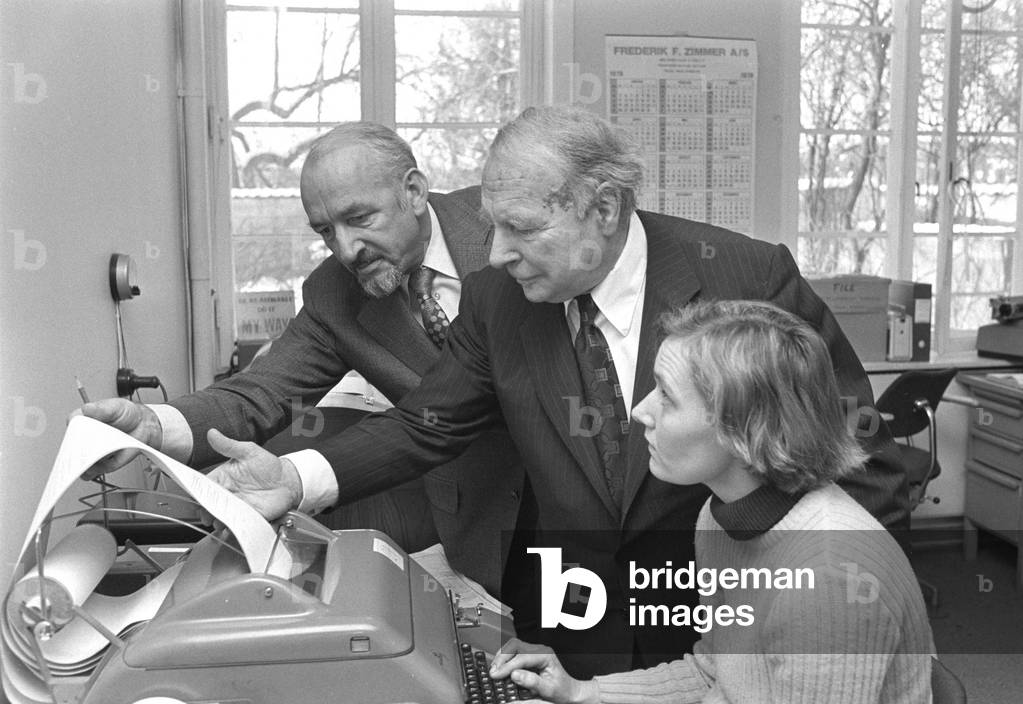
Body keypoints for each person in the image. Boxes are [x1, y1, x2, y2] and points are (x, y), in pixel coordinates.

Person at [169, 106, 908, 678]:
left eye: (520, 230)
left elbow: (859, 458)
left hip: (732, 622)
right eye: (491, 229)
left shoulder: (745, 277)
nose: (495, 255)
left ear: (604, 209)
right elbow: (428, 423)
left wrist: (802, 607)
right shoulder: (501, 299)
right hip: (580, 619)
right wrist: (293, 478)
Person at [80, 122, 527, 596]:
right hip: (482, 533)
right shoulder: (334, 294)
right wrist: (154, 426)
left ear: (414, 192)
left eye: (360, 218)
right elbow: (260, 393)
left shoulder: (505, 222)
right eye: (326, 231)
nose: (347, 250)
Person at [488, 300, 934, 704]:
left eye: (667, 396)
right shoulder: (719, 518)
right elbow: (714, 675)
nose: (641, 411)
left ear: (744, 431)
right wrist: (583, 693)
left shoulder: (828, 579)